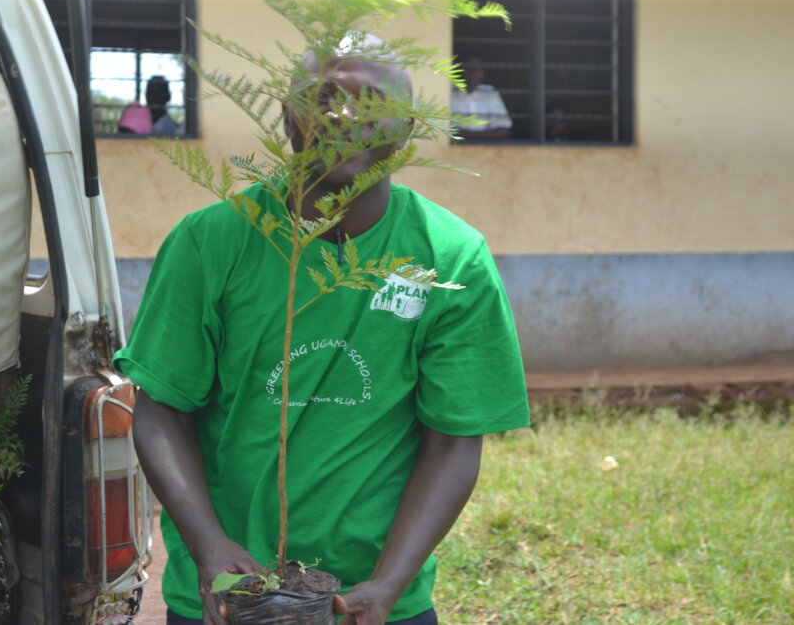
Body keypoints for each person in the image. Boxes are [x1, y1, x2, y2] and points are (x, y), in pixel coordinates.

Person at [113, 33, 530, 625]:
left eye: (374, 103)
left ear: (408, 129)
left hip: (379, 598)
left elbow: (452, 441)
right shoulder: (211, 242)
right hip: (231, 593)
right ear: (287, 117)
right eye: (325, 96)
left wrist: (388, 582)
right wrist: (210, 548)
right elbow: (161, 410)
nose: (346, 116)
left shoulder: (450, 259)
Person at [450, 56, 512, 140]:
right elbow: (446, 132)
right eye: (468, 69)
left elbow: (503, 131)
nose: (473, 73)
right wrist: (487, 134)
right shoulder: (448, 93)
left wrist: (464, 135)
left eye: (477, 69)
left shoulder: (490, 92)